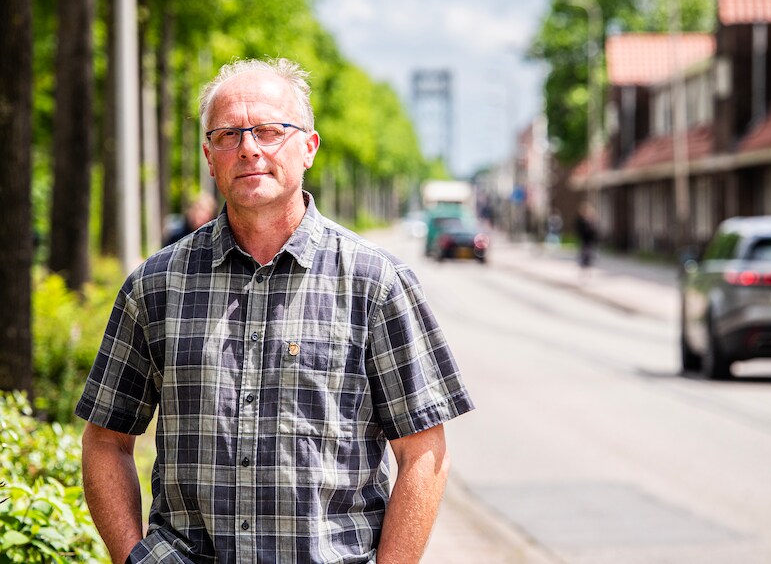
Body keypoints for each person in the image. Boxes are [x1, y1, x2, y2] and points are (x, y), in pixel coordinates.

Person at [77, 57, 474, 564]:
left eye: (268, 130)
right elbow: (106, 441)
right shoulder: (155, 286)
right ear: (209, 155)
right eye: (228, 135)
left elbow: (423, 454)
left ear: (308, 147)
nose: (248, 148)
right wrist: (135, 557)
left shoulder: (377, 285)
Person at [575, 203, 600, 279]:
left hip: (590, 241)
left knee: (589, 256)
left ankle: (588, 270)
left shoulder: (591, 220)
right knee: (584, 255)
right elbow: (579, 230)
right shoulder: (581, 220)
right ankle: (583, 270)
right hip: (584, 240)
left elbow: (595, 231)